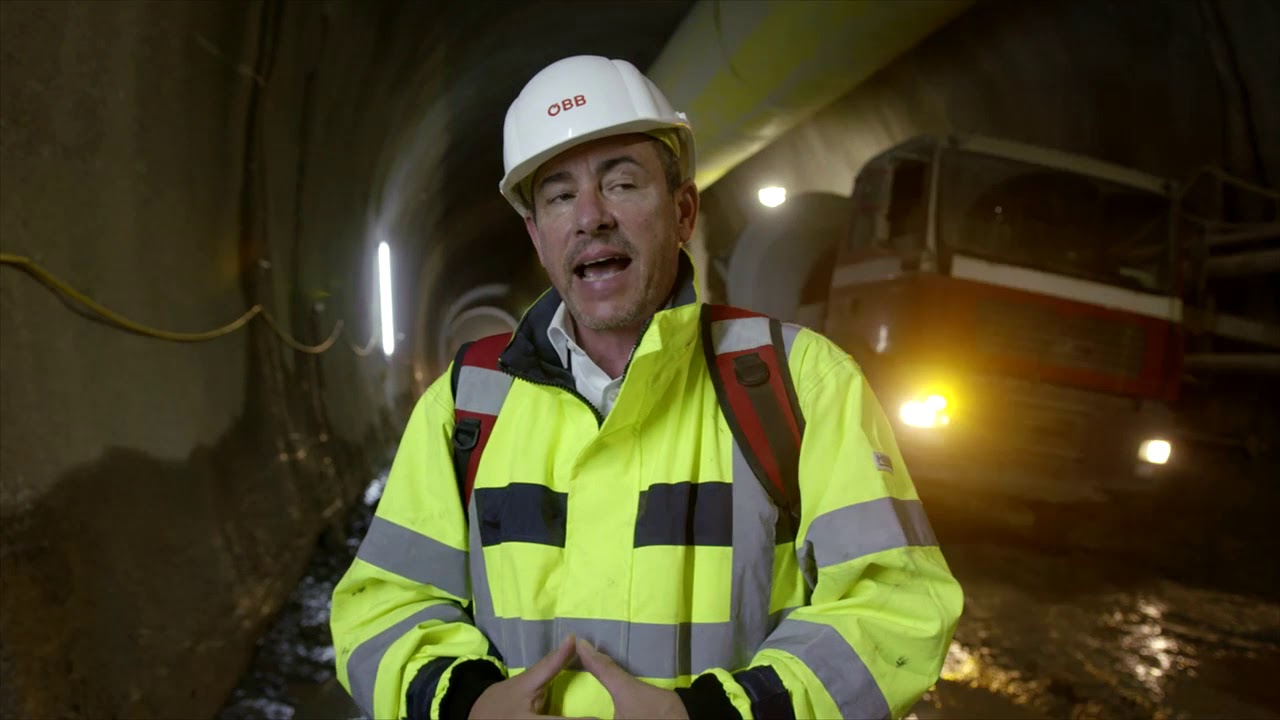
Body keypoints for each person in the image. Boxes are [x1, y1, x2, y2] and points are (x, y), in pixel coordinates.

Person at [330, 55, 963, 720]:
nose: (591, 217)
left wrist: (712, 715)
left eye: (623, 184)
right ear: (538, 237)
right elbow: (381, 606)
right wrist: (469, 705)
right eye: (559, 196)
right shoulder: (467, 402)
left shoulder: (802, 383)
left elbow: (897, 610)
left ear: (683, 211)